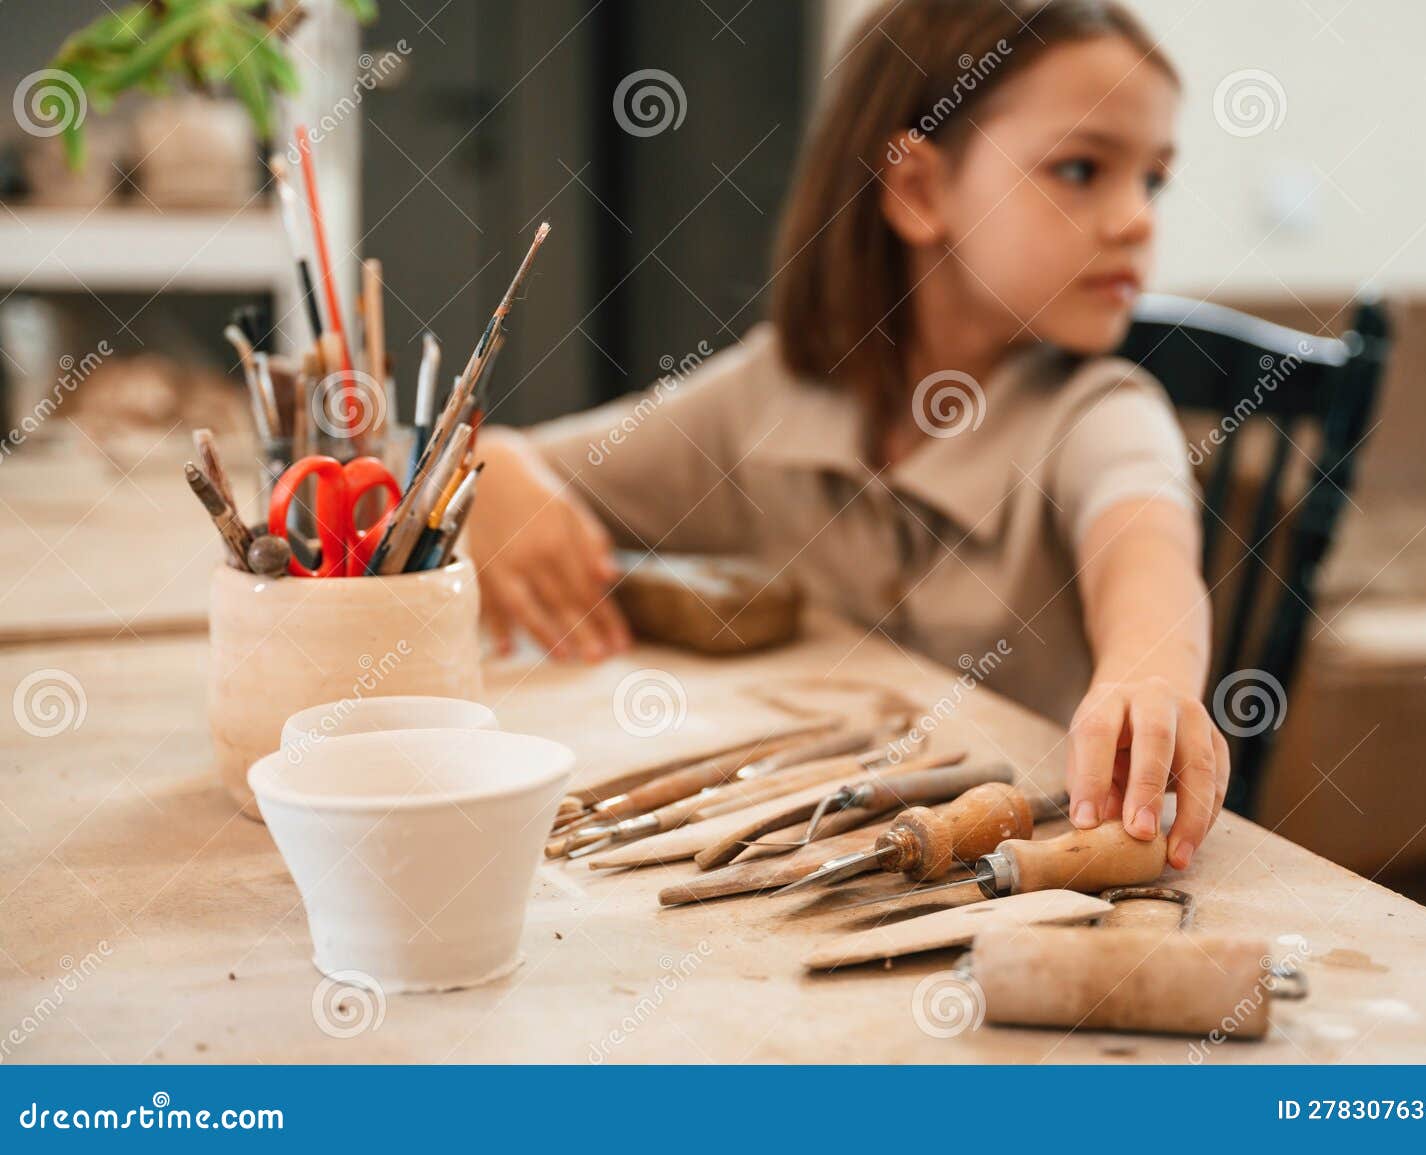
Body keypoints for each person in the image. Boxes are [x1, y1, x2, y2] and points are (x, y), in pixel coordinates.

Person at [467, 0, 1227, 870]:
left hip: (1004, 893)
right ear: (917, 189)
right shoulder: (769, 394)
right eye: (1084, 169)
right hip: (790, 859)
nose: (1138, 218)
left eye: (1154, 178)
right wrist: (493, 472)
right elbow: (517, 464)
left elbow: (1146, 542)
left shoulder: (1103, 411)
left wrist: (1150, 670)